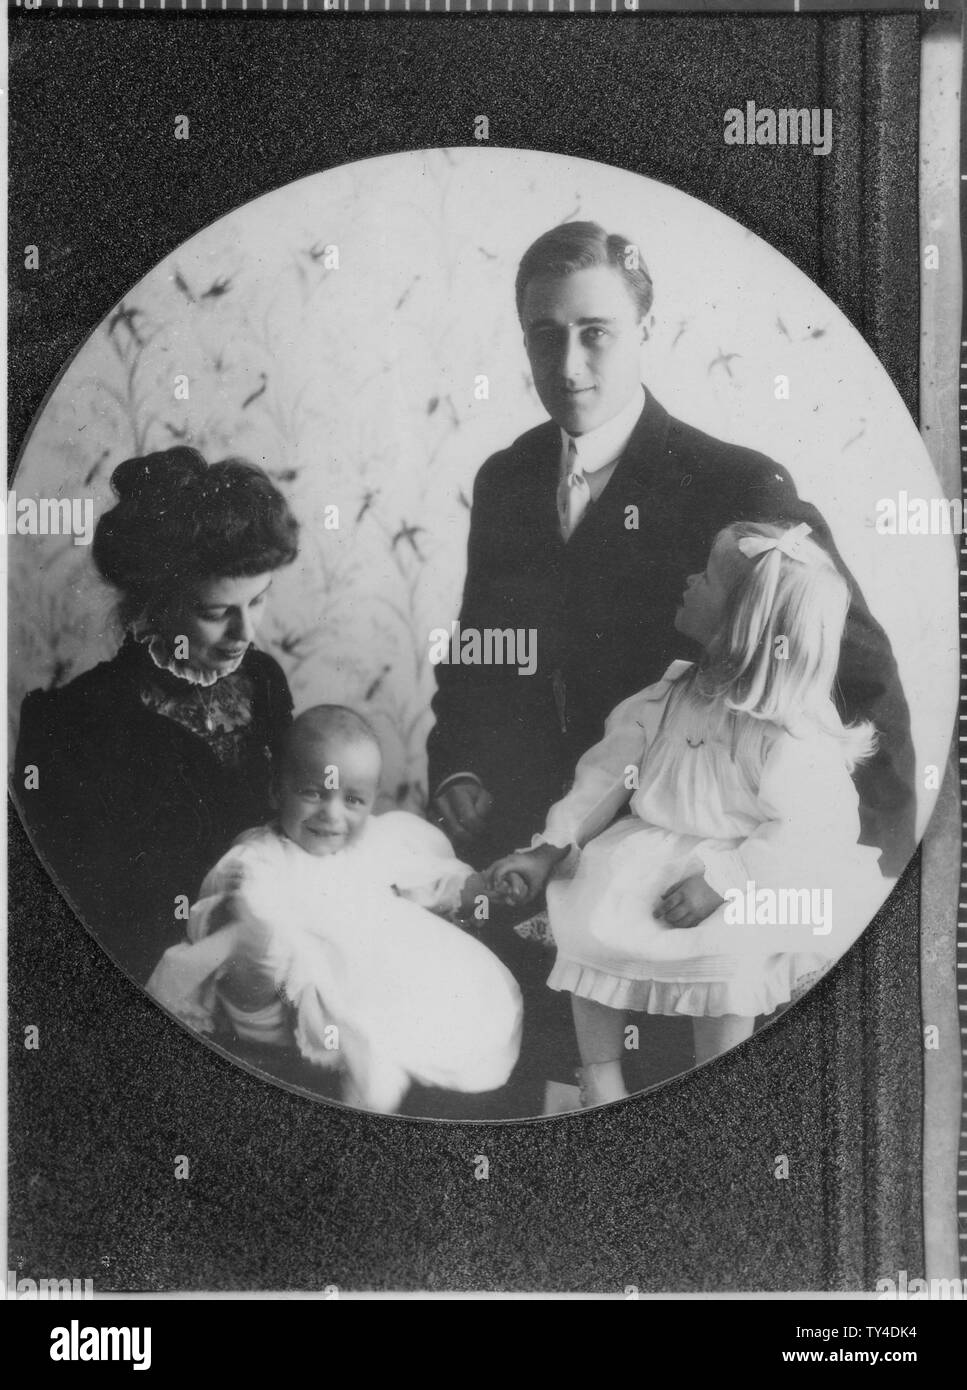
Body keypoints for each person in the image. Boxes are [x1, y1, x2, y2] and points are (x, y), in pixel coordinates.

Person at [426, 220, 915, 1112]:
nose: (568, 365)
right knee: (489, 1074)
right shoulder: (507, 479)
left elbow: (862, 685)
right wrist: (459, 763)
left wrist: (870, 910)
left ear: (646, 328)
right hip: (548, 833)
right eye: (543, 335)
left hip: (688, 875)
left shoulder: (735, 485)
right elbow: (482, 652)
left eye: (595, 332)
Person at [487, 522, 886, 1108]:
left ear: (738, 625)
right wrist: (551, 847)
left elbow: (805, 830)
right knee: (590, 913)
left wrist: (725, 882)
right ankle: (600, 1077)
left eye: (708, 578)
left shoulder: (787, 733)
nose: (690, 579)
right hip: (648, 846)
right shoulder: (666, 696)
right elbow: (604, 779)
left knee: (731, 952)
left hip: (746, 867)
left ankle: (715, 1086)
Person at [145, 706, 523, 1114]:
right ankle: (358, 1059)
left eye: (353, 800)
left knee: (448, 989)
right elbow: (213, 910)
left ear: (371, 802)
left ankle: (388, 1055)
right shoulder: (262, 855)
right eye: (313, 793)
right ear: (277, 791)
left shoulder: (375, 841)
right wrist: (242, 912)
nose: (332, 814)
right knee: (266, 949)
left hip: (374, 957)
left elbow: (428, 879)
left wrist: (479, 890)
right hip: (298, 980)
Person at [14, 447, 299, 985]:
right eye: (216, 612)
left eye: (258, 601)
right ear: (155, 602)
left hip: (272, 957)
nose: (245, 634)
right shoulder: (71, 724)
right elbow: (80, 926)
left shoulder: (263, 681)